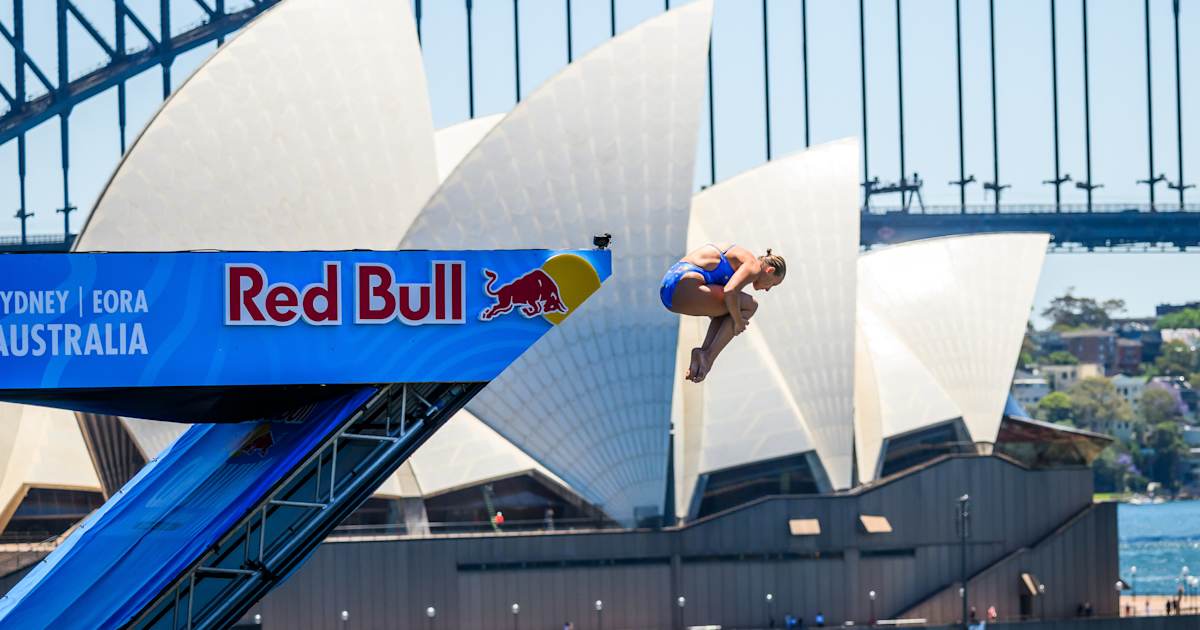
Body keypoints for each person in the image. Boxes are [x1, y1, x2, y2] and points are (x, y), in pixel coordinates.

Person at [659, 244, 787, 382]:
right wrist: (738, 322)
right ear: (769, 270)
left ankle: (704, 354)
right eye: (772, 284)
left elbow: (725, 300)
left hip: (670, 287)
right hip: (683, 287)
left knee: (731, 309)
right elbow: (730, 291)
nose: (768, 290)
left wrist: (733, 315)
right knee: (750, 306)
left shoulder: (740, 255)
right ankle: (707, 356)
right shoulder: (753, 266)